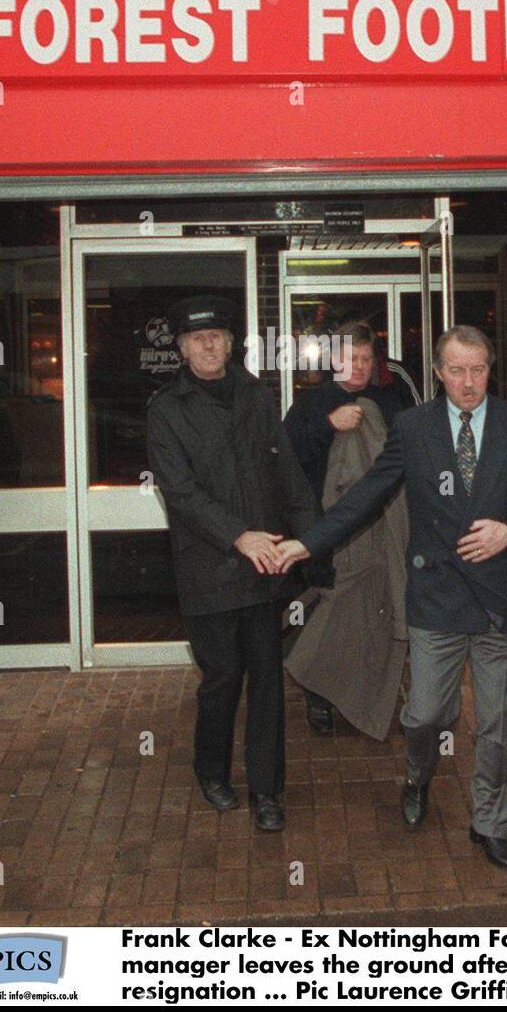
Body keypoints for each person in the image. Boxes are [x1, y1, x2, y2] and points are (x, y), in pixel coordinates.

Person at [276, 324, 507, 869]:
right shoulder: (413, 427)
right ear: (437, 373)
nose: (468, 382)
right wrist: (308, 542)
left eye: (478, 370)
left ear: (490, 369)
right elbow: (366, 495)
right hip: (435, 595)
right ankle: (418, 776)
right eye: (456, 371)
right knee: (424, 714)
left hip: (499, 599)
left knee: (496, 725)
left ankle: (492, 822)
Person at [146, 295, 317, 833]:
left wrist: (313, 540)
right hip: (209, 569)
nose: (208, 345)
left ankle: (267, 789)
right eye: (197, 338)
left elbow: (286, 472)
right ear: (181, 348)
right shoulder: (166, 409)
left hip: (265, 568)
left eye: (216, 336)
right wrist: (237, 536)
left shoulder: (256, 395)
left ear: (230, 342)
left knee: (267, 679)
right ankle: (211, 770)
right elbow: (180, 492)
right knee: (222, 677)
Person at [283, 321, 415, 733]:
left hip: (384, 525)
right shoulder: (311, 403)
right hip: (329, 529)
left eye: (365, 359)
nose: (358, 366)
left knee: (377, 610)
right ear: (332, 359)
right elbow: (285, 460)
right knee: (334, 606)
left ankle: (366, 695)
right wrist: (328, 425)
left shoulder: (391, 400)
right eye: (349, 358)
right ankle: (318, 691)